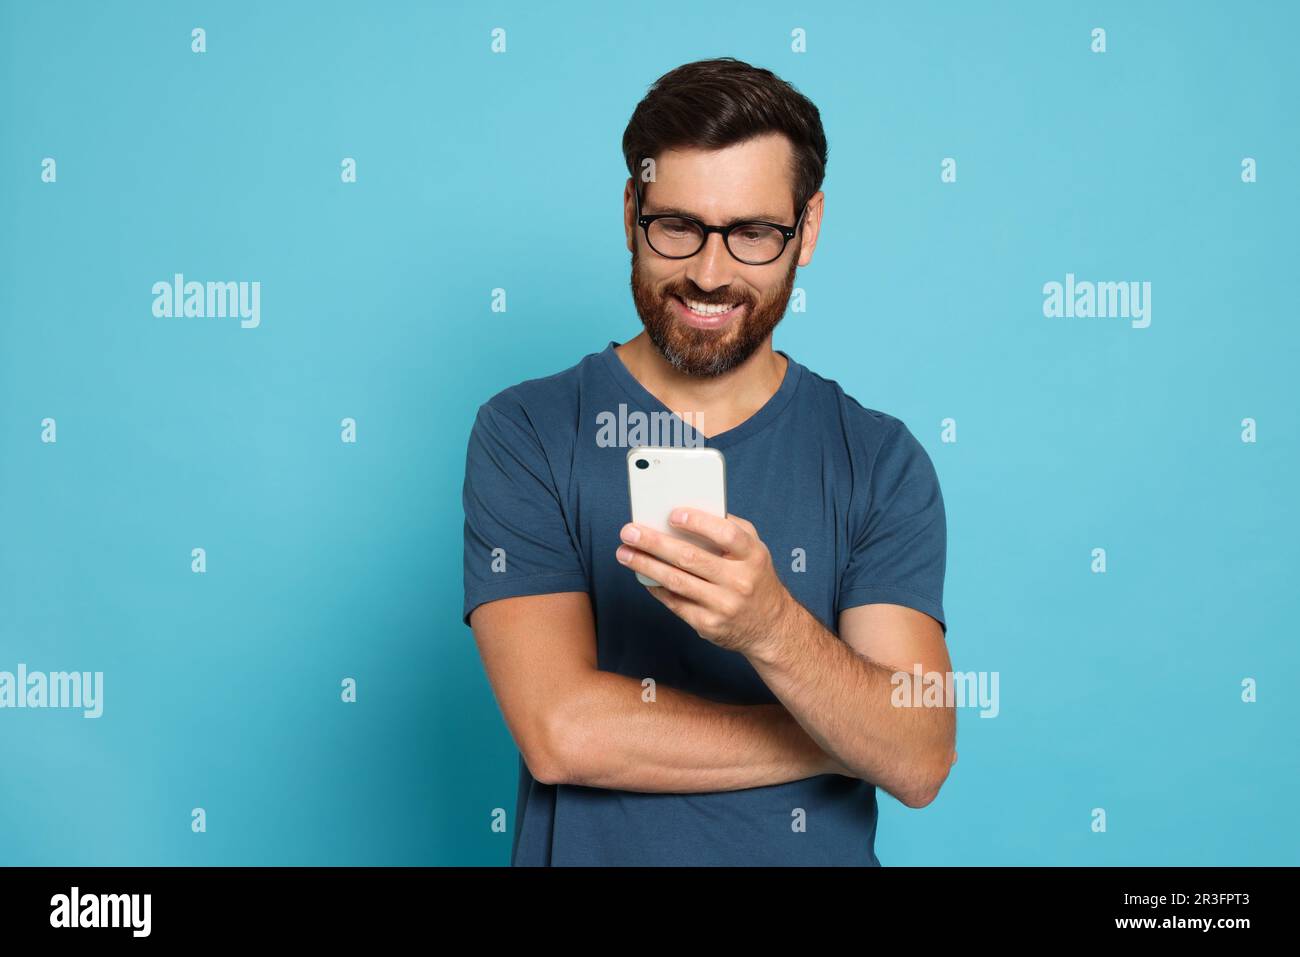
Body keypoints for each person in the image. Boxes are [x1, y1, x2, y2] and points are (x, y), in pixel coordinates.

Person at [462, 57, 956, 866]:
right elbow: (561, 732)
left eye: (754, 233)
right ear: (631, 212)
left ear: (810, 229)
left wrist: (772, 629)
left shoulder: (880, 461)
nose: (710, 272)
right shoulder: (529, 432)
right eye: (678, 226)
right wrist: (843, 736)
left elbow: (922, 754)